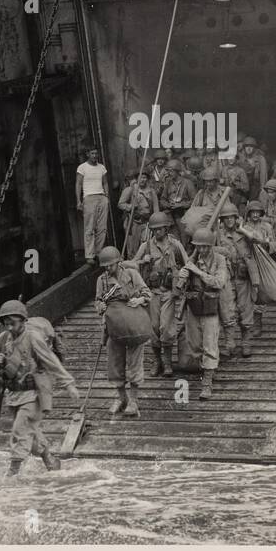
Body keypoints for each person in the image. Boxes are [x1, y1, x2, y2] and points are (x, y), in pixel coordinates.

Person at [0, 299, 79, 478]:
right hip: (13, 393)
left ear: (23, 321)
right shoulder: (3, 338)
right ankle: (50, 460)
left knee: (20, 430)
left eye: (12, 323)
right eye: (6, 324)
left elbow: (51, 361)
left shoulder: (33, 337)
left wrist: (69, 383)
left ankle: (12, 473)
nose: (9, 327)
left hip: (33, 394)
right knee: (30, 430)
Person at [95, 246, 151, 417]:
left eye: (110, 265)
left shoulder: (132, 275)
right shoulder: (101, 280)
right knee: (114, 363)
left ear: (118, 263)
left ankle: (134, 401)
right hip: (113, 326)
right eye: (105, 266)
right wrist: (100, 306)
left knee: (134, 362)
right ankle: (122, 397)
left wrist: (139, 299)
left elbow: (147, 293)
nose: (107, 269)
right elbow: (97, 301)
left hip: (134, 323)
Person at [175, 228, 228, 401]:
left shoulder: (220, 260)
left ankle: (207, 382)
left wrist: (197, 271)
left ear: (211, 246)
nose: (202, 250)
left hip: (210, 307)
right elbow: (179, 287)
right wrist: (182, 275)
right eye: (199, 247)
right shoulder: (191, 259)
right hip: (193, 307)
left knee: (210, 343)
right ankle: (208, 367)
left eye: (206, 247)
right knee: (195, 345)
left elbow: (219, 282)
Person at [133, 211, 188, 376]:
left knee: (166, 327)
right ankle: (157, 361)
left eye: (160, 229)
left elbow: (187, 264)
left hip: (169, 293)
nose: (158, 232)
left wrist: (180, 282)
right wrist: (144, 261)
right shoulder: (146, 246)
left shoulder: (176, 245)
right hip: (153, 293)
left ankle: (168, 363)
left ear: (166, 228)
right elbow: (133, 264)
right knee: (154, 328)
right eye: (155, 229)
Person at [214, 204, 257, 357]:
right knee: (227, 310)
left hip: (243, 277)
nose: (230, 220)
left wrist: (242, 229)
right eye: (227, 218)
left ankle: (246, 343)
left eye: (232, 217)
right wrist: (222, 251)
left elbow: (257, 239)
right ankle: (230, 343)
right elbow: (208, 249)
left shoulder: (244, 232)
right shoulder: (217, 235)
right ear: (222, 220)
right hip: (227, 278)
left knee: (245, 309)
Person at [239, 201, 276, 338]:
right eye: (252, 212)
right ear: (248, 213)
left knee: (259, 293)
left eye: (258, 212)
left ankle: (257, 323)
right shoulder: (244, 226)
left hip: (261, 261)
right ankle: (246, 323)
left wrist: (267, 244)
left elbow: (274, 244)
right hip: (247, 261)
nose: (255, 214)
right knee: (246, 292)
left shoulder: (267, 226)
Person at [75, 147, 110, 266]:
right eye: (92, 153)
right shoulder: (82, 167)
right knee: (89, 228)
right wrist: (78, 201)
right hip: (89, 198)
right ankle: (89, 255)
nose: (95, 155)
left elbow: (105, 182)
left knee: (102, 228)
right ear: (87, 154)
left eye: (96, 153)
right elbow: (78, 184)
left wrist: (106, 196)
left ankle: (99, 252)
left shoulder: (102, 167)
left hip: (101, 198)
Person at [117, 172, 158, 258]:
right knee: (132, 247)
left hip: (147, 222)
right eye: (141, 177)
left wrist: (156, 221)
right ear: (136, 179)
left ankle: (144, 265)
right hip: (133, 222)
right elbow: (120, 204)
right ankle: (132, 264)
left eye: (144, 177)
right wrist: (130, 206)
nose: (143, 180)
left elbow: (156, 208)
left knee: (146, 245)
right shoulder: (130, 190)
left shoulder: (151, 191)